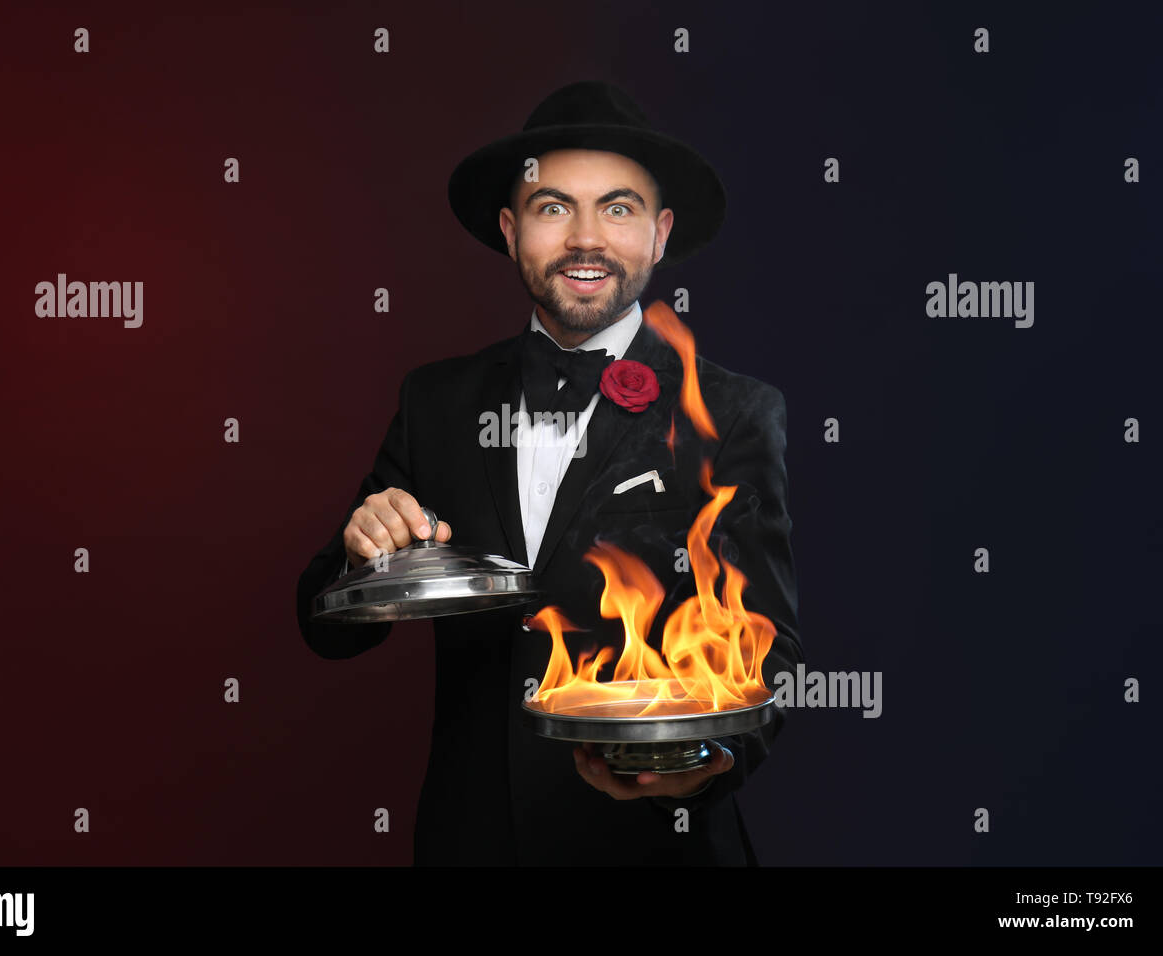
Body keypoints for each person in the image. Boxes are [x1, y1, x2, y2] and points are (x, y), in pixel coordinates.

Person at [296, 80, 803, 865]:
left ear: (661, 234)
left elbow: (770, 650)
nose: (586, 239)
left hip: (661, 850)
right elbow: (328, 629)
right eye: (553, 207)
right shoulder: (437, 402)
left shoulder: (733, 413)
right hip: (473, 842)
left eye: (619, 208)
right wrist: (359, 553)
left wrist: (704, 765)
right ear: (511, 230)